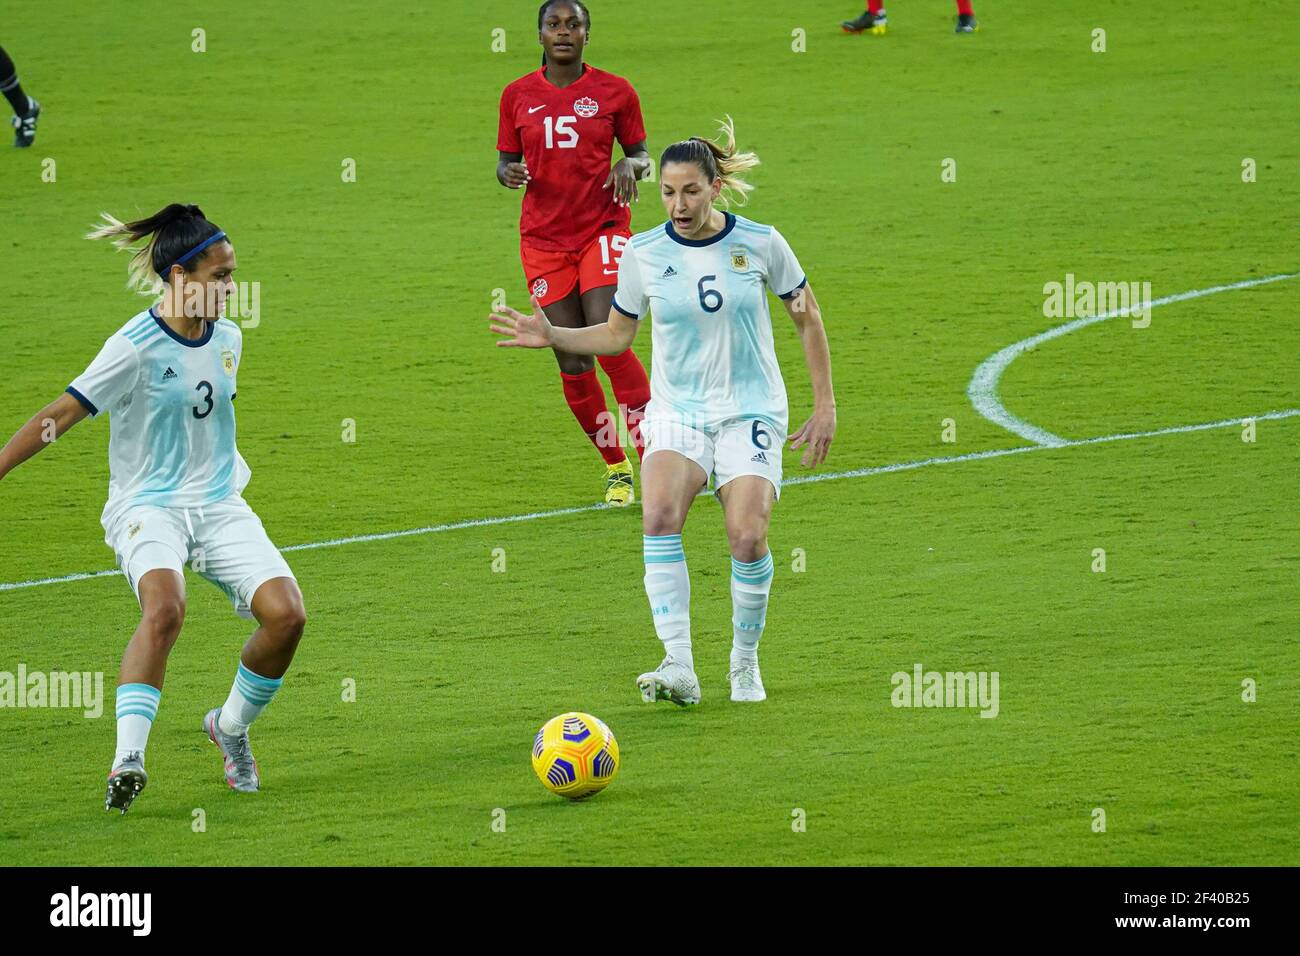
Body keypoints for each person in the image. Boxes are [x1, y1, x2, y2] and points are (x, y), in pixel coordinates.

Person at [491, 119, 837, 704]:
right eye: (669, 192)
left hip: (749, 408)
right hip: (677, 410)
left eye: (691, 191)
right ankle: (678, 664)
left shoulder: (760, 243)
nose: (678, 204)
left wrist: (824, 404)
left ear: (715, 188)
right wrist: (556, 337)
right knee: (658, 517)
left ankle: (744, 662)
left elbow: (807, 317)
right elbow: (618, 335)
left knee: (747, 538)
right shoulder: (644, 253)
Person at [0, 204, 307, 812]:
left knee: (288, 616)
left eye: (232, 276)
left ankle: (231, 728)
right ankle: (128, 760)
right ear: (178, 277)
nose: (231, 289)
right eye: (219, 278)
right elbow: (60, 415)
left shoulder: (229, 337)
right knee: (165, 608)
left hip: (218, 503)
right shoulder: (132, 346)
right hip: (148, 505)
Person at [496, 0, 655, 505]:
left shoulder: (616, 91)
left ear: (588, 34)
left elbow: (642, 156)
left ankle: (656, 457)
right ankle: (616, 467)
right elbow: (505, 162)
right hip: (543, 242)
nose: (563, 32)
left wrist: (632, 166)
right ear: (539, 35)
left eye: (574, 24)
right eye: (553, 24)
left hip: (603, 229)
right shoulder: (517, 95)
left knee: (609, 339)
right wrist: (508, 173)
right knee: (571, 358)